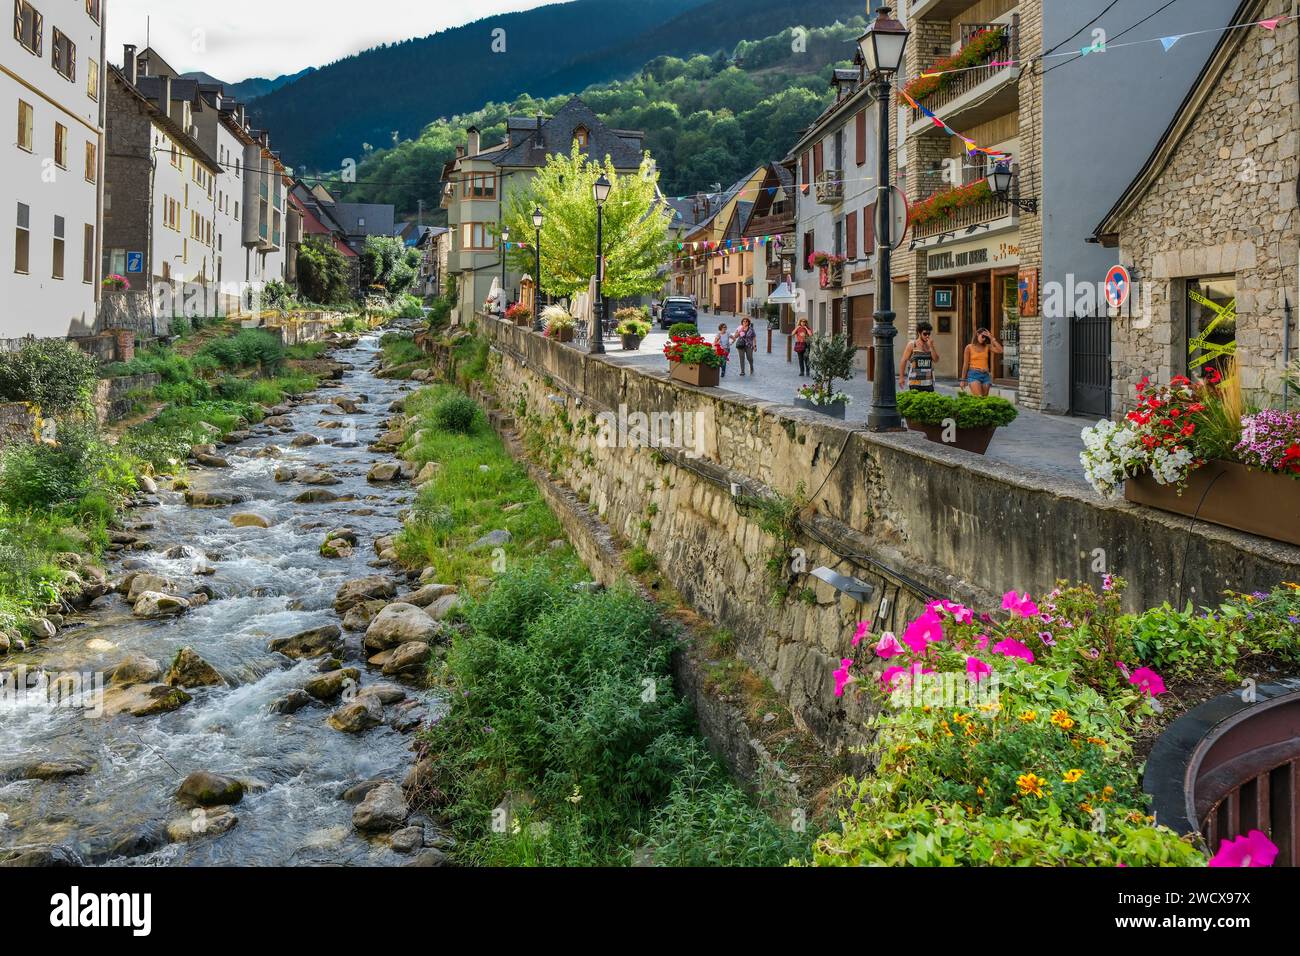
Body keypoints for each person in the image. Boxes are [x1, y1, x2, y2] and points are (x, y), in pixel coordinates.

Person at [960, 327, 1003, 397]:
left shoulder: (987, 346)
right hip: (974, 375)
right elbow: (965, 365)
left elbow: (1000, 350)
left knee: (984, 400)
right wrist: (963, 380)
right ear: (977, 334)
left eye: (986, 337)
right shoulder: (969, 347)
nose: (984, 339)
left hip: (985, 375)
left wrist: (992, 338)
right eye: (982, 336)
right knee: (979, 397)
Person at [899, 321, 938, 392]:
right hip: (915, 382)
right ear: (919, 333)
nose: (927, 336)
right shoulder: (912, 345)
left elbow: (936, 360)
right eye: (925, 334)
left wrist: (931, 346)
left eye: (929, 334)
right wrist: (901, 377)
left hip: (928, 382)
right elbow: (903, 360)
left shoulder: (930, 345)